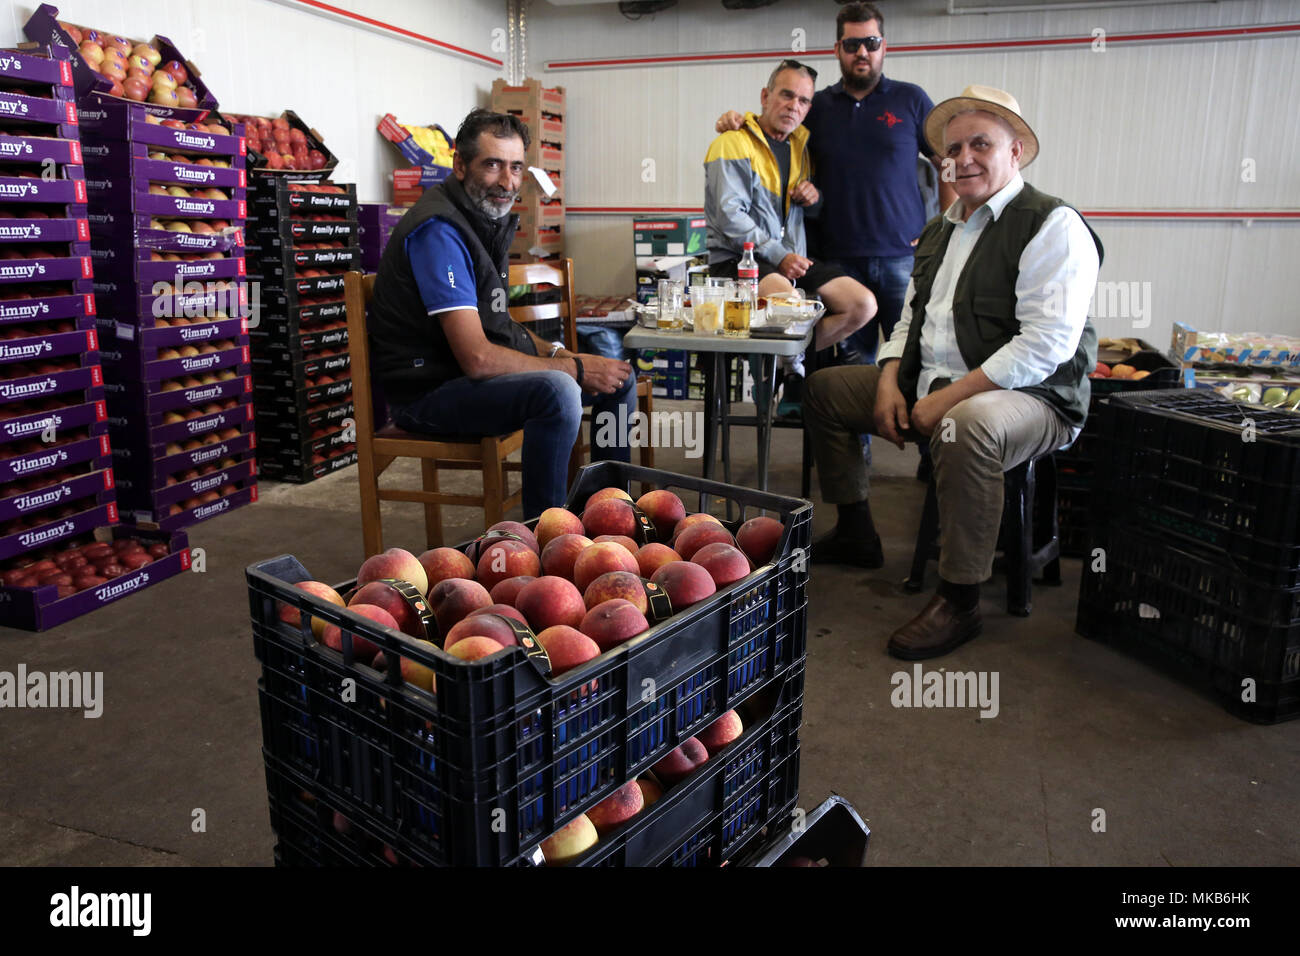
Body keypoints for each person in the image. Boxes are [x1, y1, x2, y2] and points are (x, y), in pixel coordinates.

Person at [802, 85, 1103, 661]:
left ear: (1015, 151)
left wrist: (947, 400)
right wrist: (890, 377)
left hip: (1033, 398)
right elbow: (910, 318)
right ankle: (856, 528)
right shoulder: (942, 229)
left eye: (980, 144)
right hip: (933, 387)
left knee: (967, 426)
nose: (962, 158)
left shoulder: (1051, 225)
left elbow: (1046, 345)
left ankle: (959, 597)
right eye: (952, 147)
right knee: (825, 390)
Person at [368, 109, 635, 519]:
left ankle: (606, 517)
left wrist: (561, 355)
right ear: (460, 165)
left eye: (515, 167)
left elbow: (499, 327)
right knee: (558, 391)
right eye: (491, 165)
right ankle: (547, 538)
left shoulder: (479, 222)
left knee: (617, 377)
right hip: (427, 394)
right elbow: (477, 358)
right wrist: (575, 372)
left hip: (463, 380)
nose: (507, 182)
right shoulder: (439, 231)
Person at [715, 2, 954, 432]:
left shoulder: (911, 100)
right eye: (852, 43)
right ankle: (851, 465)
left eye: (871, 42)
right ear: (838, 48)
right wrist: (735, 121)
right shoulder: (818, 107)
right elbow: (772, 130)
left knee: (920, 359)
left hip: (903, 259)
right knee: (847, 377)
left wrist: (948, 229)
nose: (862, 51)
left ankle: (932, 451)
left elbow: (946, 162)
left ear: (884, 47)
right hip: (833, 258)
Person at [704, 60, 876, 411]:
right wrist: (777, 254)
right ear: (766, 96)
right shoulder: (732, 143)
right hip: (738, 260)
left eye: (803, 100)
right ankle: (790, 370)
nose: (793, 106)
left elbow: (802, 212)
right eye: (786, 95)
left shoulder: (801, 146)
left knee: (862, 305)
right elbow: (727, 216)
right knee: (789, 303)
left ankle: (778, 363)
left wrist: (814, 200)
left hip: (788, 258)